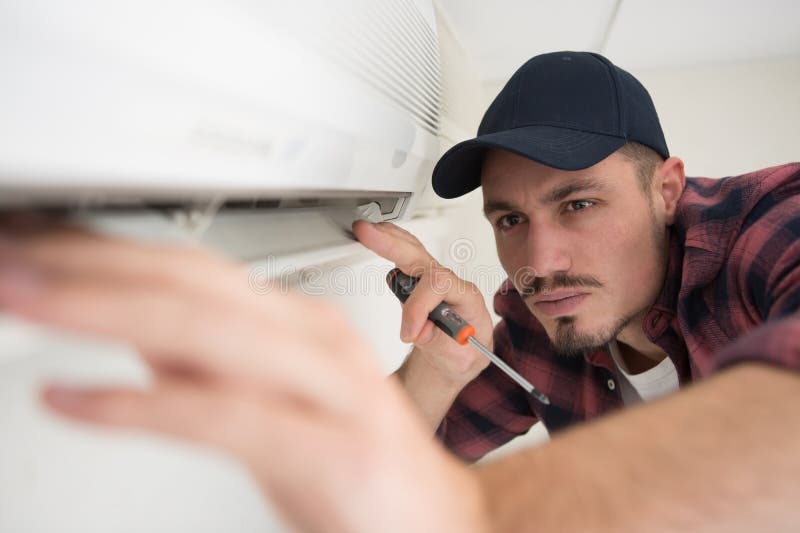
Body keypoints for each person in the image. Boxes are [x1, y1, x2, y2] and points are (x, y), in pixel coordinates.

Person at [0, 50, 797, 533]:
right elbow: (390, 467)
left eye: (578, 204)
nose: (540, 260)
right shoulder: (534, 323)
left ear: (667, 187)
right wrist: (439, 370)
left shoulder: (771, 226)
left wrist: (474, 515)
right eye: (509, 218)